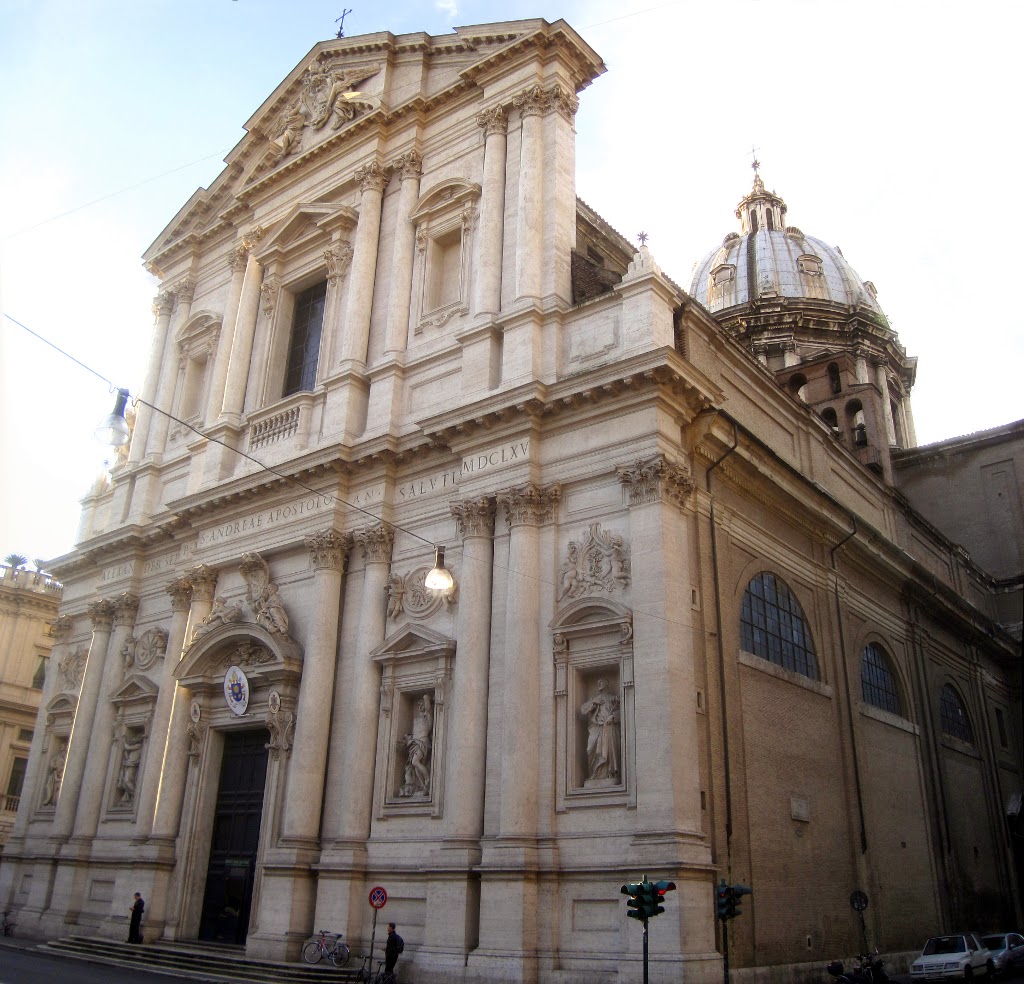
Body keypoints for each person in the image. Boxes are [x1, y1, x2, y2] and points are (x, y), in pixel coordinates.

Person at [580, 677, 621, 782]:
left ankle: (608, 774)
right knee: (590, 749)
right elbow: (583, 710)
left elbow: (622, 711)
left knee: (608, 750)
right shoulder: (595, 698)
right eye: (598, 682)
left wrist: (613, 716)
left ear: (607, 684)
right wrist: (593, 702)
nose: (599, 683)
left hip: (609, 727)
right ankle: (594, 774)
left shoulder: (613, 698)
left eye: (601, 682)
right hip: (596, 727)